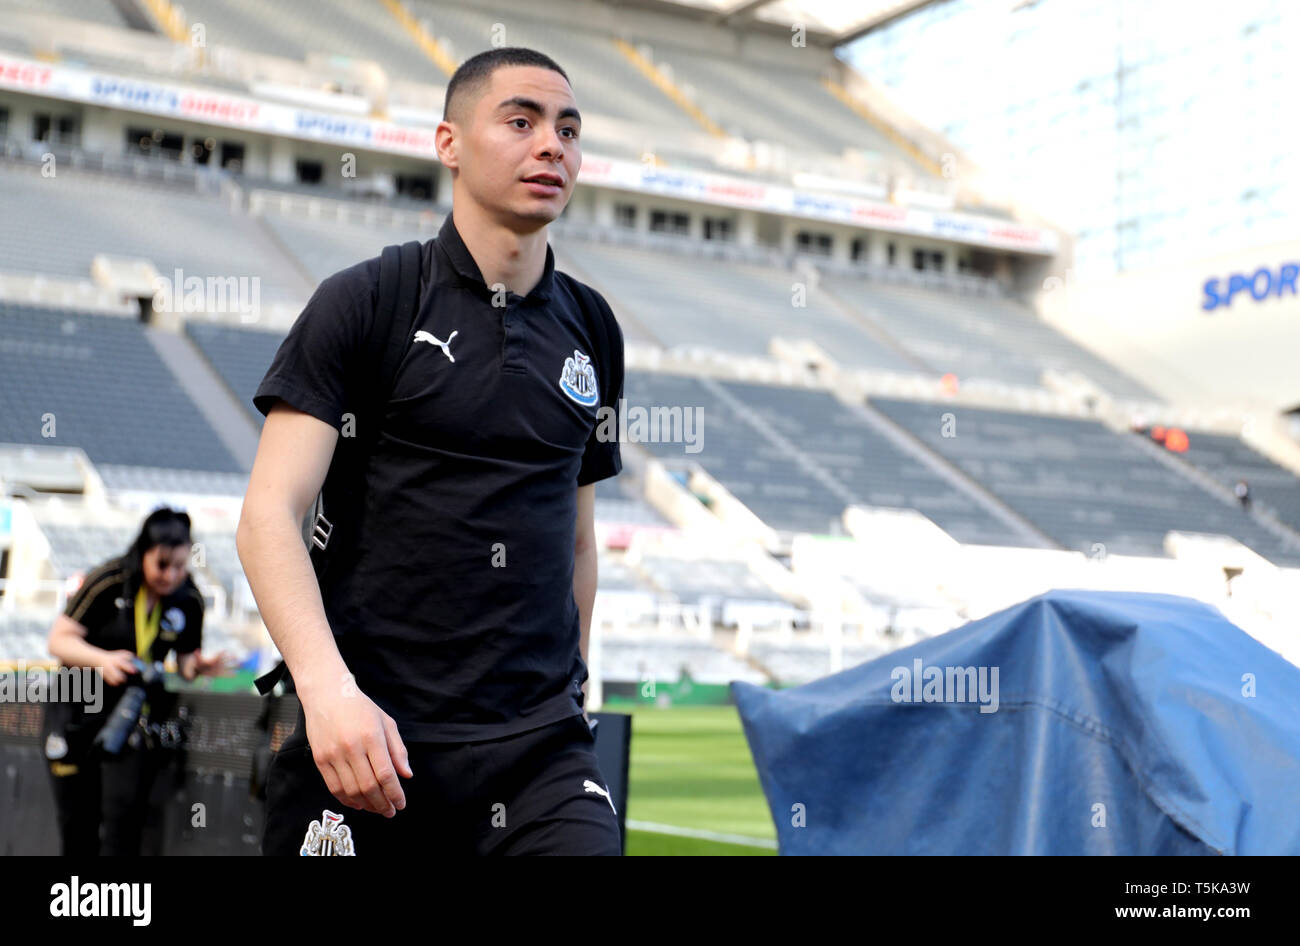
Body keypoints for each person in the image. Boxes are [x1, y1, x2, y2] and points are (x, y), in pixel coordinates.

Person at [240, 47, 625, 856]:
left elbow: (579, 539)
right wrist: (328, 693)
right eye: (520, 122)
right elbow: (269, 516)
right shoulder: (368, 300)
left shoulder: (594, 330)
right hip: (371, 744)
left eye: (568, 129)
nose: (552, 145)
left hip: (541, 755)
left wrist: (575, 685)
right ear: (449, 142)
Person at [43, 506, 229, 855]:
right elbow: (59, 640)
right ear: (144, 551)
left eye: (180, 565)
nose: (171, 575)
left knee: (122, 826)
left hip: (132, 724)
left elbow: (185, 662)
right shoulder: (109, 579)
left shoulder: (189, 599)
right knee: (78, 828)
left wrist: (200, 666)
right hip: (76, 716)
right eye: (162, 564)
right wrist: (102, 660)